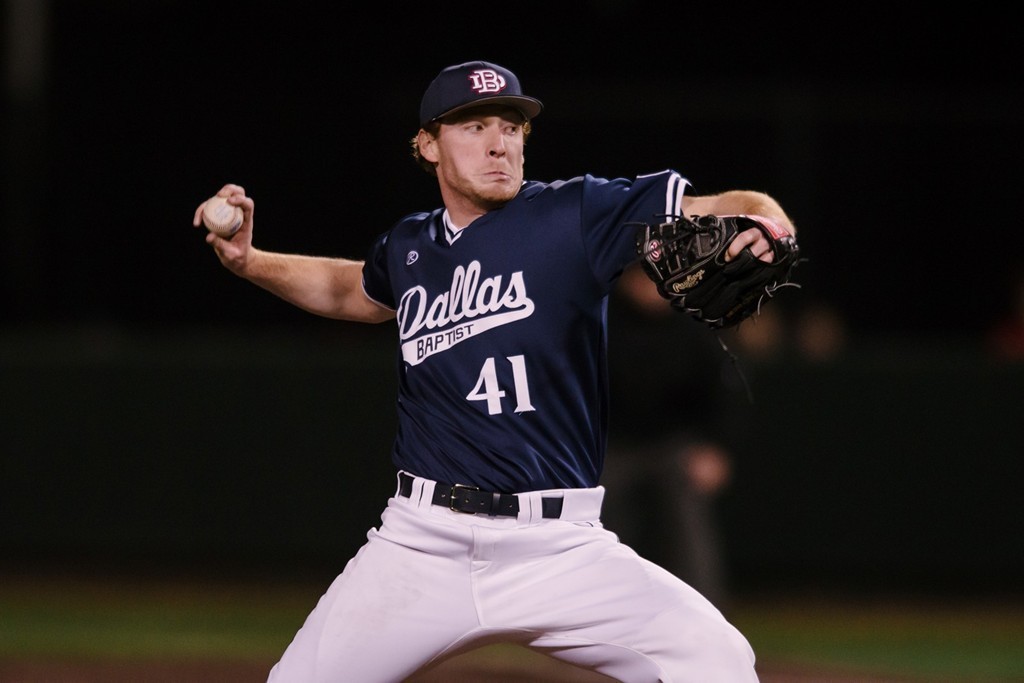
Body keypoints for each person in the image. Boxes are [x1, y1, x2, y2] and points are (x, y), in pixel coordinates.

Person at [192, 60, 796, 682]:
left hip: (559, 547)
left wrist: (767, 222)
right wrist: (251, 263)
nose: (498, 142)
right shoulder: (407, 247)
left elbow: (719, 203)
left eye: (511, 127)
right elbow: (350, 290)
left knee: (717, 659)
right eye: (474, 126)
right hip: (422, 543)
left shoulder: (577, 213)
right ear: (428, 146)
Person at [602, 262, 739, 610]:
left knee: (689, 532)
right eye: (643, 281)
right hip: (610, 445)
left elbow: (724, 392)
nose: (652, 290)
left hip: (672, 445)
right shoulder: (600, 320)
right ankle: (604, 614)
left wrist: (716, 448)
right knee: (598, 534)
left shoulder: (694, 322)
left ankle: (704, 615)